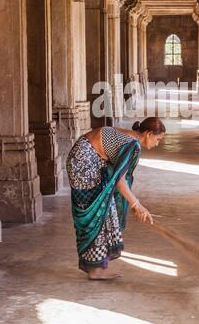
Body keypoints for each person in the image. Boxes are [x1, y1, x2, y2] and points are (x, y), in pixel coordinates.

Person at [66, 117, 166, 280]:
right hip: (83, 164)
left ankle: (98, 266)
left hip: (87, 159)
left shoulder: (131, 136)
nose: (158, 143)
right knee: (98, 214)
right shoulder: (132, 145)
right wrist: (137, 204)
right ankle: (95, 269)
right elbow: (120, 180)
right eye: (158, 139)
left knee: (107, 210)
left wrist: (132, 203)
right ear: (148, 134)